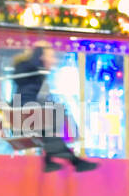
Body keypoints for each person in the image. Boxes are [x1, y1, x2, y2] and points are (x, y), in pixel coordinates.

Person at [11, 44, 97, 173]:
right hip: (25, 111)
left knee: (51, 132)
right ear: (40, 57)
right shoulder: (30, 69)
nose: (54, 61)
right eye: (51, 57)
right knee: (51, 125)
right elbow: (28, 96)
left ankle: (54, 161)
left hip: (29, 110)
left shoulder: (35, 74)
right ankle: (73, 162)